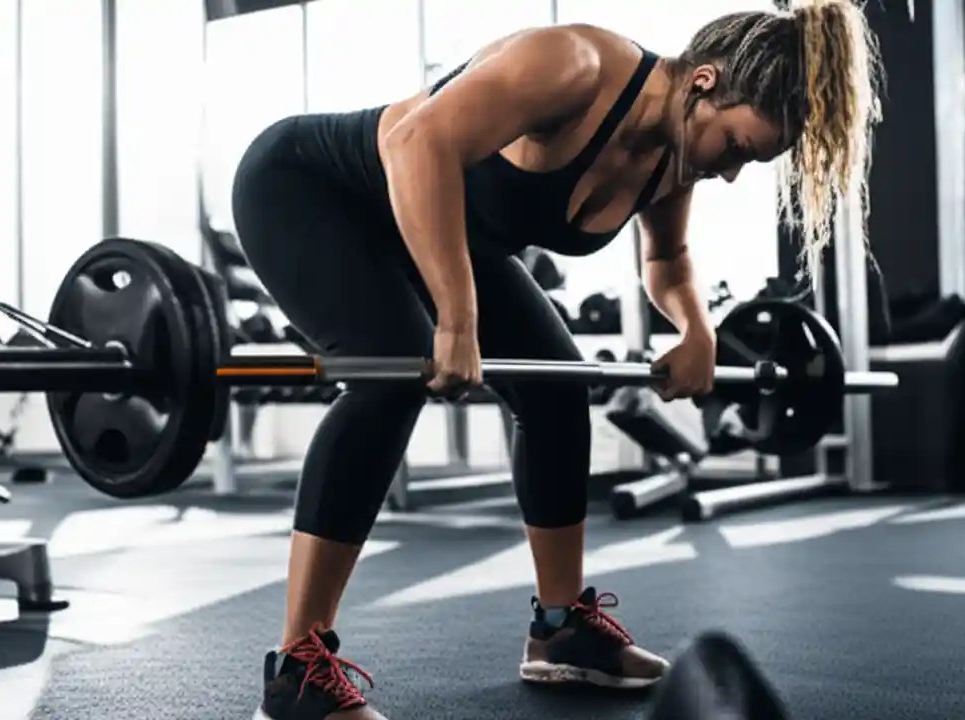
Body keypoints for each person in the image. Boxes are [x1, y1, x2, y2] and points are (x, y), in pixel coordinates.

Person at [234, 1, 881, 718]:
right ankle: (296, 670)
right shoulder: (576, 66)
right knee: (393, 374)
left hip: (441, 233)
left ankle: (560, 628)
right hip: (312, 192)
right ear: (704, 81)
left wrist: (697, 329)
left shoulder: (675, 157)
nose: (728, 172)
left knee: (558, 391)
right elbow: (417, 143)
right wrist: (457, 317)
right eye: (734, 147)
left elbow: (667, 257)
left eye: (746, 161)